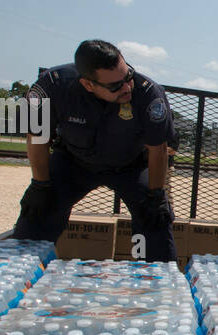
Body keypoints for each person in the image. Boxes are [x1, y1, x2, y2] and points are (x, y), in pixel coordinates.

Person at [13, 40, 176, 261]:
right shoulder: (50, 86)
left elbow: (159, 149)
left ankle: (154, 280)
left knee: (154, 218)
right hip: (73, 162)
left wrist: (156, 196)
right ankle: (26, 273)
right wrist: (40, 185)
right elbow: (36, 139)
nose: (127, 87)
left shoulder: (148, 92)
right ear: (88, 85)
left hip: (130, 165)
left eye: (128, 76)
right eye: (115, 86)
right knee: (39, 211)